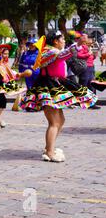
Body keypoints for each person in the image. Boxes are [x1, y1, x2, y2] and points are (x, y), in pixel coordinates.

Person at [20, 31, 98, 162]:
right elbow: (63, 55)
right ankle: (49, 152)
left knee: (60, 120)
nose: (63, 41)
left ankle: (49, 147)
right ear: (55, 41)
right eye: (62, 39)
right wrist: (77, 44)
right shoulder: (51, 52)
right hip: (48, 86)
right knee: (54, 122)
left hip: (55, 84)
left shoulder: (50, 51)